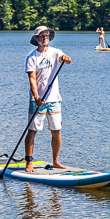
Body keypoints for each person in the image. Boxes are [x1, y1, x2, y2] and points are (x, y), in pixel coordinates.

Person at [24, 26, 72, 172]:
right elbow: (32, 80)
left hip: (54, 100)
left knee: (56, 130)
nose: (45, 37)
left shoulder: (55, 52)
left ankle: (56, 161)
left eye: (47, 35)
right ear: (37, 39)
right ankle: (29, 162)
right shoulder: (32, 57)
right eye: (42, 36)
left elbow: (66, 59)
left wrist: (66, 58)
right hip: (37, 100)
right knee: (32, 130)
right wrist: (36, 97)